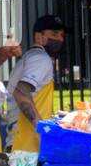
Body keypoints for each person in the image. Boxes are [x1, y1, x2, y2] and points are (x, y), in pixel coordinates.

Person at [5, 14, 66, 152]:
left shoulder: (31, 57)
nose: (60, 39)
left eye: (62, 35)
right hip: (26, 147)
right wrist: (43, 129)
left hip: (21, 144)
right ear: (39, 37)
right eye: (54, 34)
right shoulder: (40, 59)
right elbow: (21, 93)